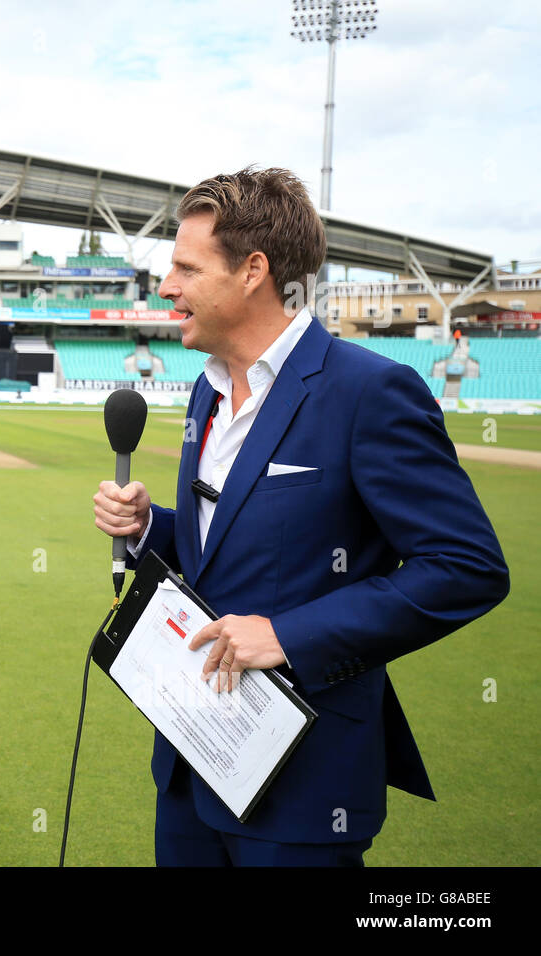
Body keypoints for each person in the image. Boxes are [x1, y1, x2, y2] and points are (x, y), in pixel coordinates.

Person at [93, 167, 509, 866]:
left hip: (304, 782)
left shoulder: (370, 392)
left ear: (253, 271)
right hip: (193, 759)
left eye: (186, 268)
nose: (166, 287)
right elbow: (229, 546)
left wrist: (288, 635)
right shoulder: (207, 386)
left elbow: (467, 568)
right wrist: (151, 529)